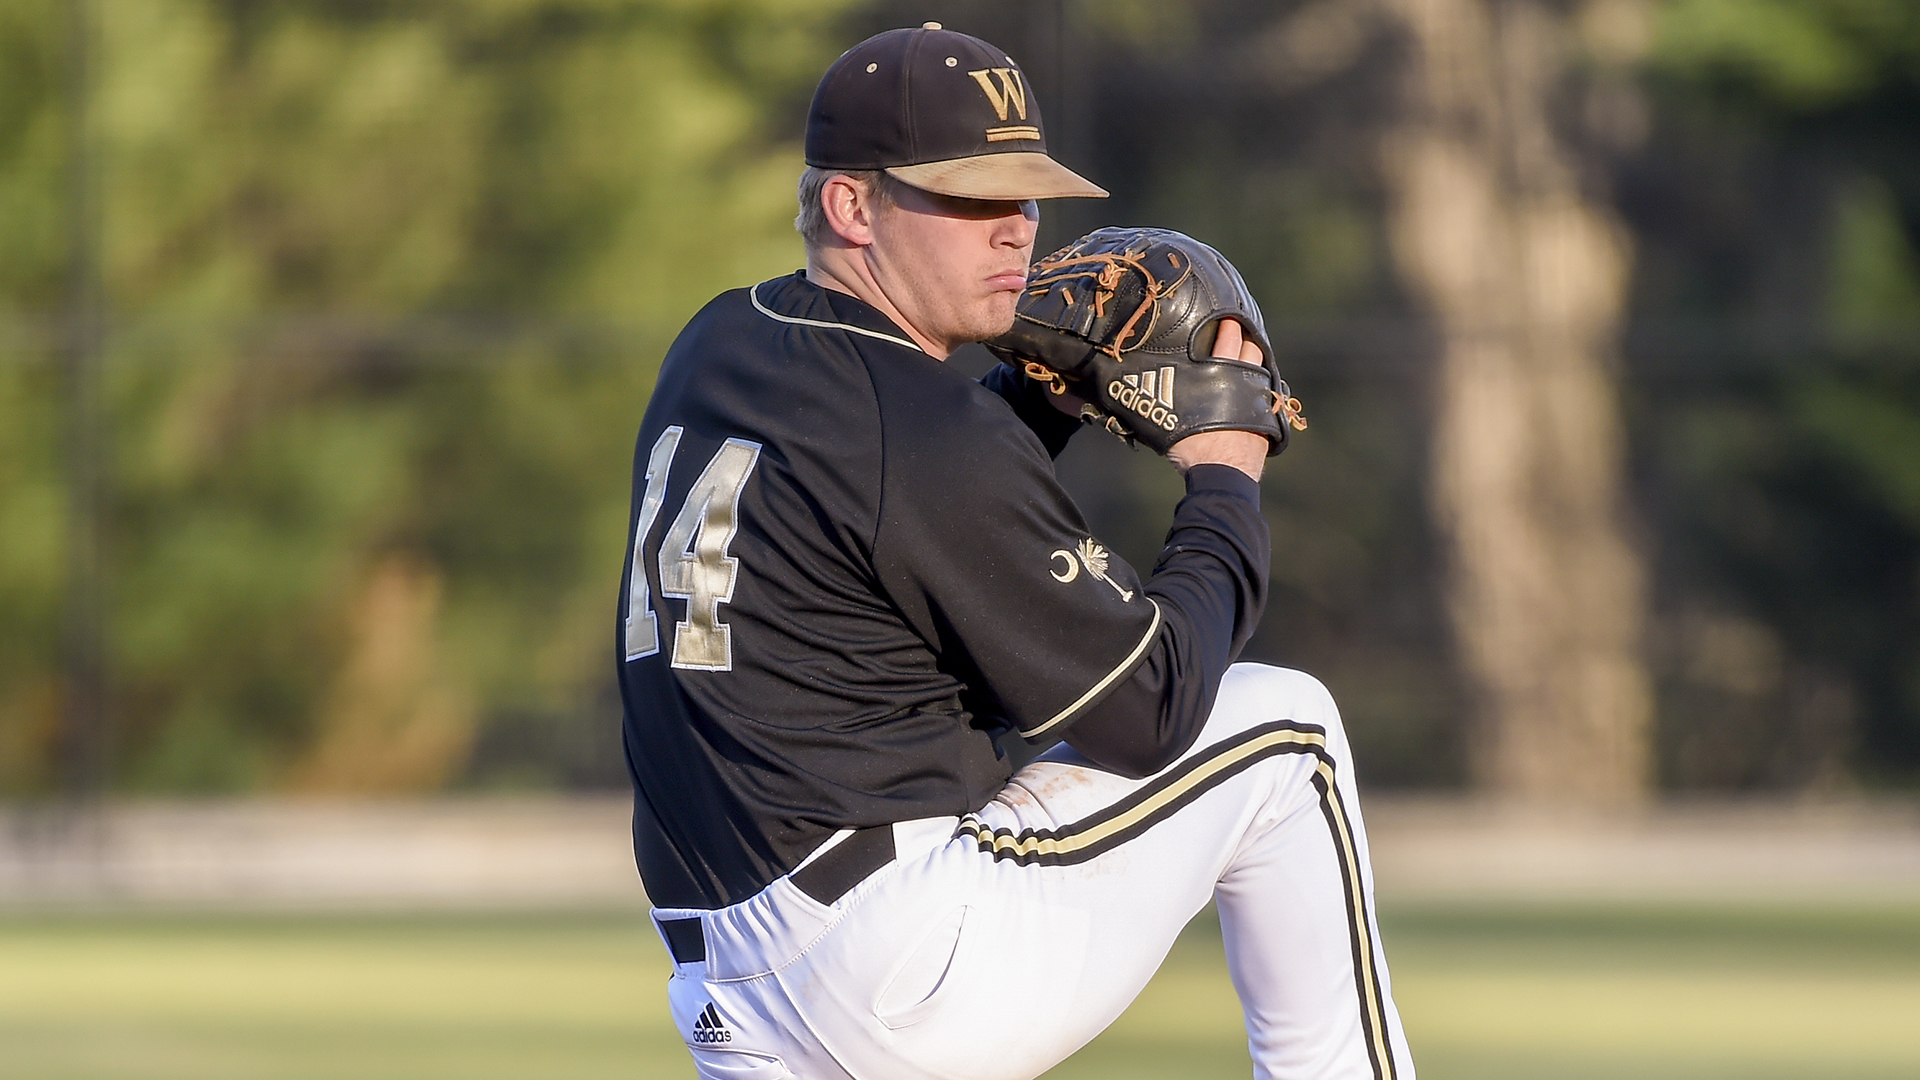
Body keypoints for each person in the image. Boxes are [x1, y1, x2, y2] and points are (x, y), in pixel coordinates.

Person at [616, 23, 1416, 1080]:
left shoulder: (721, 341)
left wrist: (1038, 399)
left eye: (1029, 196)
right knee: (1287, 729)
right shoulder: (927, 430)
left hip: (731, 991)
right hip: (897, 969)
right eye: (971, 197)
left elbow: (890, 519)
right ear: (852, 206)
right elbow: (1153, 710)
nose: (1018, 229)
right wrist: (1225, 475)